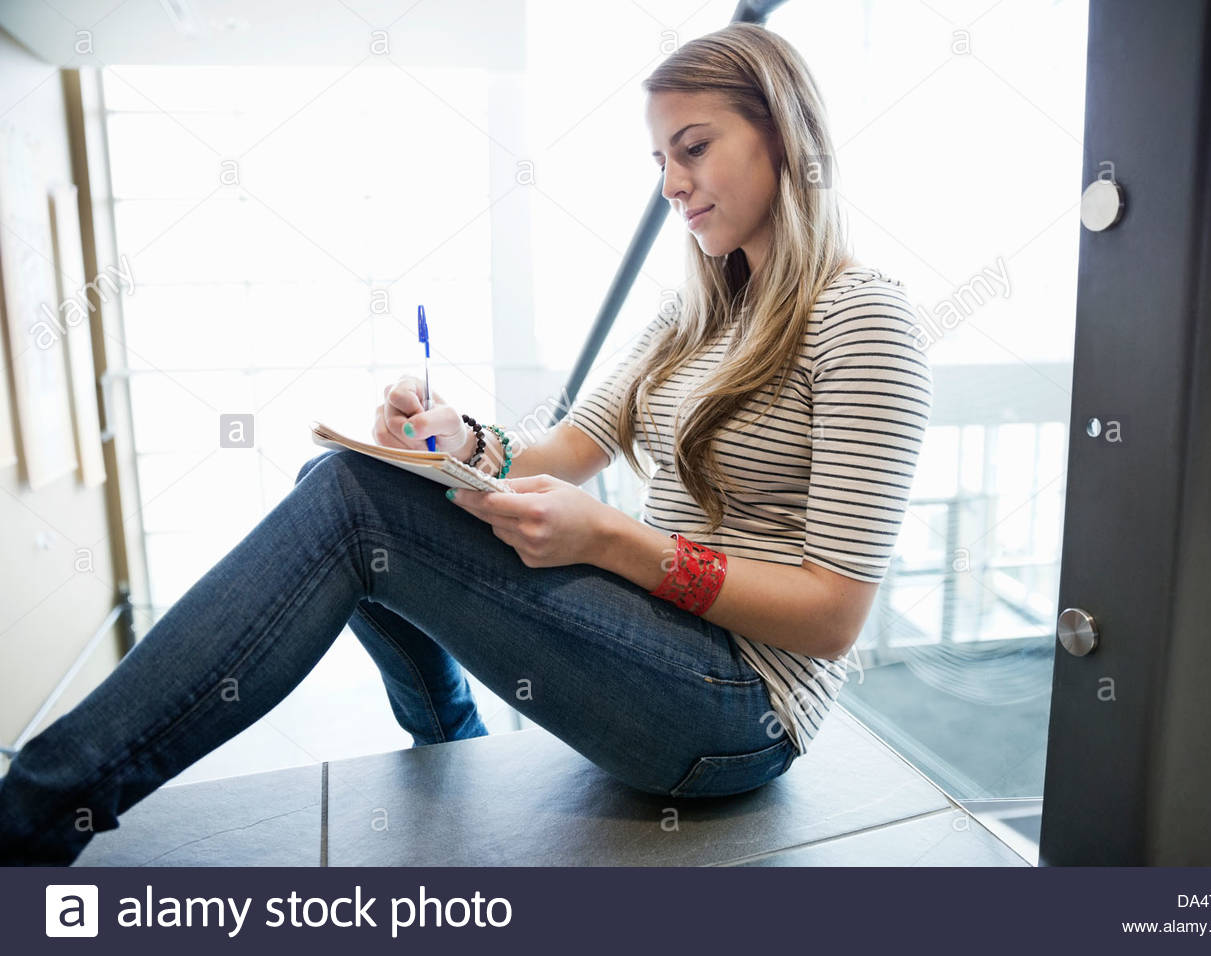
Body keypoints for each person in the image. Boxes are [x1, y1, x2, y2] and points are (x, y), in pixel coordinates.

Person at [0, 22, 932, 865]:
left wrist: (610, 540)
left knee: (352, 505)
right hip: (664, 641)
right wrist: (459, 439)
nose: (671, 183)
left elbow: (830, 617)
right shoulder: (692, 314)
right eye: (659, 157)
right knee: (345, 474)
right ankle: (448, 739)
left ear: (783, 132)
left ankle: (33, 816)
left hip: (741, 706)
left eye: (693, 149)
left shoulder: (861, 316)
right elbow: (571, 444)